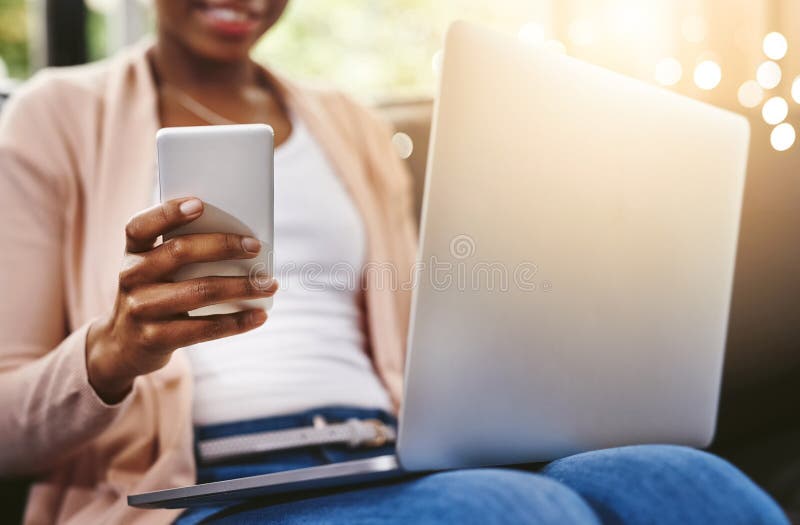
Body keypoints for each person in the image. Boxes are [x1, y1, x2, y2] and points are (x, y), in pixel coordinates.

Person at [0, 1, 789, 523]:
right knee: (519, 511)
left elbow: (418, 334)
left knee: (683, 480)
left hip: (385, 454)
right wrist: (108, 354)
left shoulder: (353, 125)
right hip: (201, 490)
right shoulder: (58, 116)